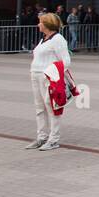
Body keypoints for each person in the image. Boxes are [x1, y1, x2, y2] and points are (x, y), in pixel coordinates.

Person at [26, 12, 71, 151]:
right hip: (36, 75)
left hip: (48, 77)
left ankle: (53, 139)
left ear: (47, 24)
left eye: (40, 22)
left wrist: (51, 74)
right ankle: (42, 137)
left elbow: (66, 61)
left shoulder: (58, 39)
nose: (38, 24)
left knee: (52, 107)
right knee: (40, 107)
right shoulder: (43, 39)